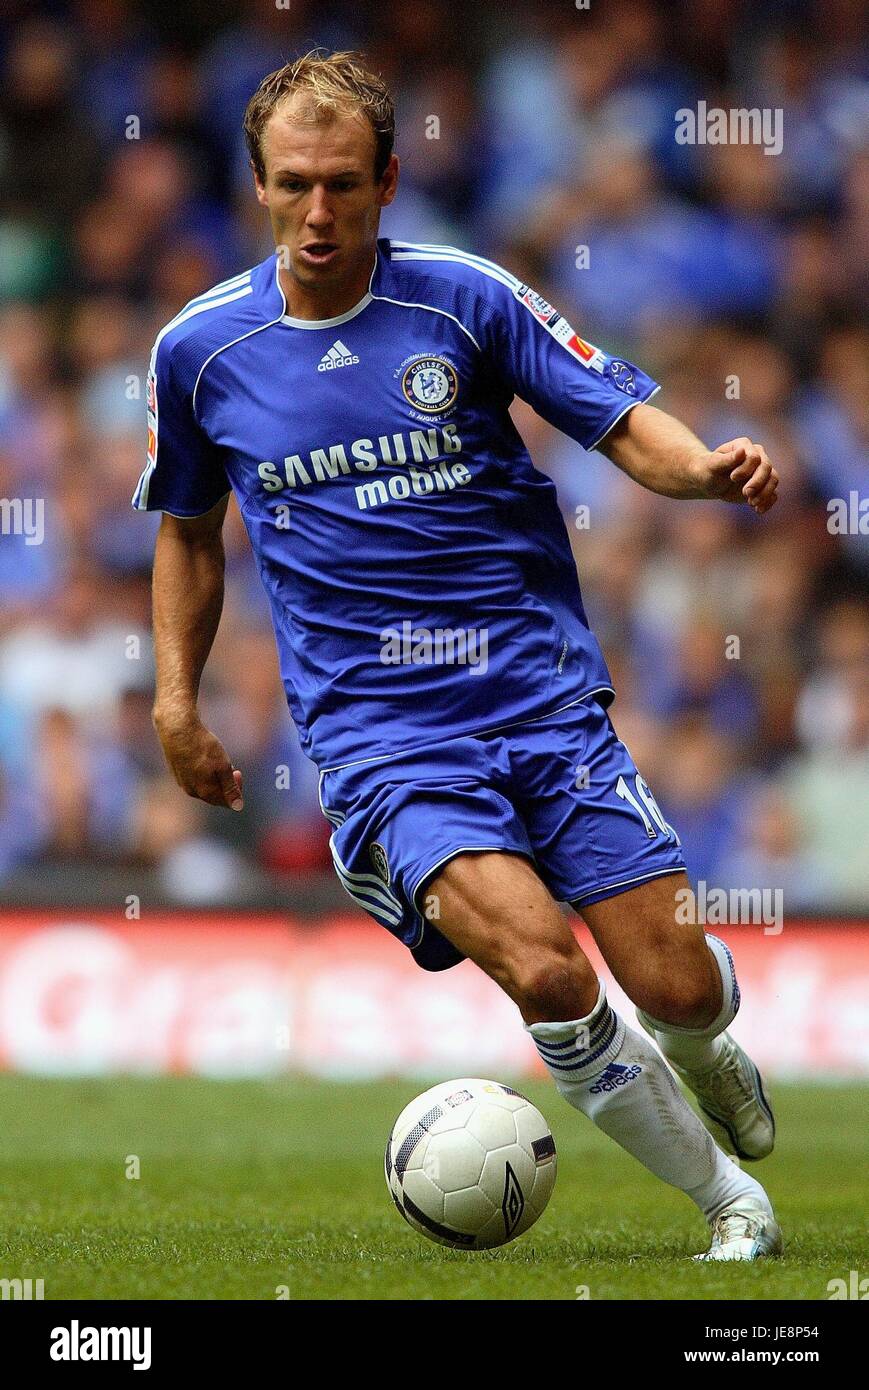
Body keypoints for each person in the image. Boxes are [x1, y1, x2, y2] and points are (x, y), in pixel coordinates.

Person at [135, 50, 781, 1261]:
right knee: (543, 969)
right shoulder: (199, 352)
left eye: (341, 184)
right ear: (258, 189)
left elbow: (615, 415)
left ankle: (703, 1044)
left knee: (675, 984)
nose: (316, 212)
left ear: (386, 181)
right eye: (291, 185)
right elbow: (187, 535)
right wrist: (176, 701)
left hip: (538, 698)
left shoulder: (467, 299)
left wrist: (700, 468)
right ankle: (728, 1207)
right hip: (383, 734)